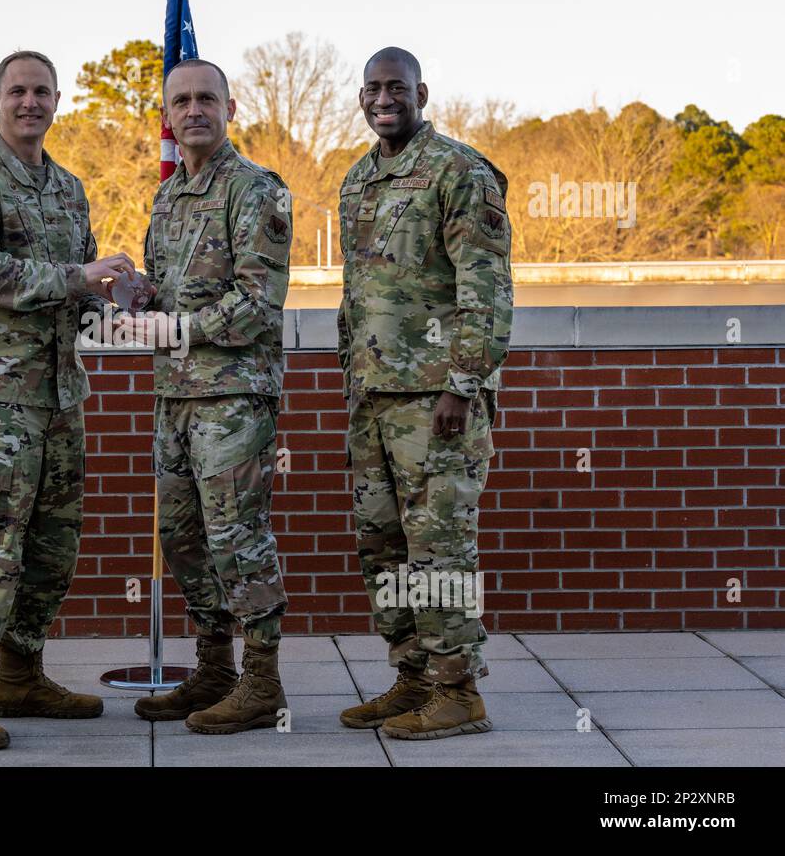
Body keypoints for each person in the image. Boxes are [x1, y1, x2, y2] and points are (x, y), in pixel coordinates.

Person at [0, 50, 133, 751]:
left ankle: (21, 674)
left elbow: (81, 294)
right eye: (18, 91)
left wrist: (126, 297)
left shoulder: (68, 188)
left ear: (57, 100)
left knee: (52, 545)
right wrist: (78, 276)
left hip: (59, 395)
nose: (30, 103)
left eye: (42, 91)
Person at [336, 46, 513, 739]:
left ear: (422, 93)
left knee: (438, 549)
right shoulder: (358, 180)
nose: (385, 98)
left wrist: (462, 387)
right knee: (384, 548)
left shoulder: (459, 171)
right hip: (374, 400)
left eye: (397, 88)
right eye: (374, 88)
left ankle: (458, 690)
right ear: (362, 97)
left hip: (437, 401)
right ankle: (412, 677)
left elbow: (487, 289)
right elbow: (360, 292)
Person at [129, 59, 292, 734]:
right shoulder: (169, 197)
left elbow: (257, 304)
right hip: (176, 395)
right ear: (166, 117)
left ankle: (262, 682)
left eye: (206, 99)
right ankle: (214, 667)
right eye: (181, 101)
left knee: (237, 536)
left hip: (232, 397)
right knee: (184, 536)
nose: (193, 110)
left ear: (230, 107)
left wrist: (172, 326)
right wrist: (141, 296)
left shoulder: (256, 192)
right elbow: (172, 289)